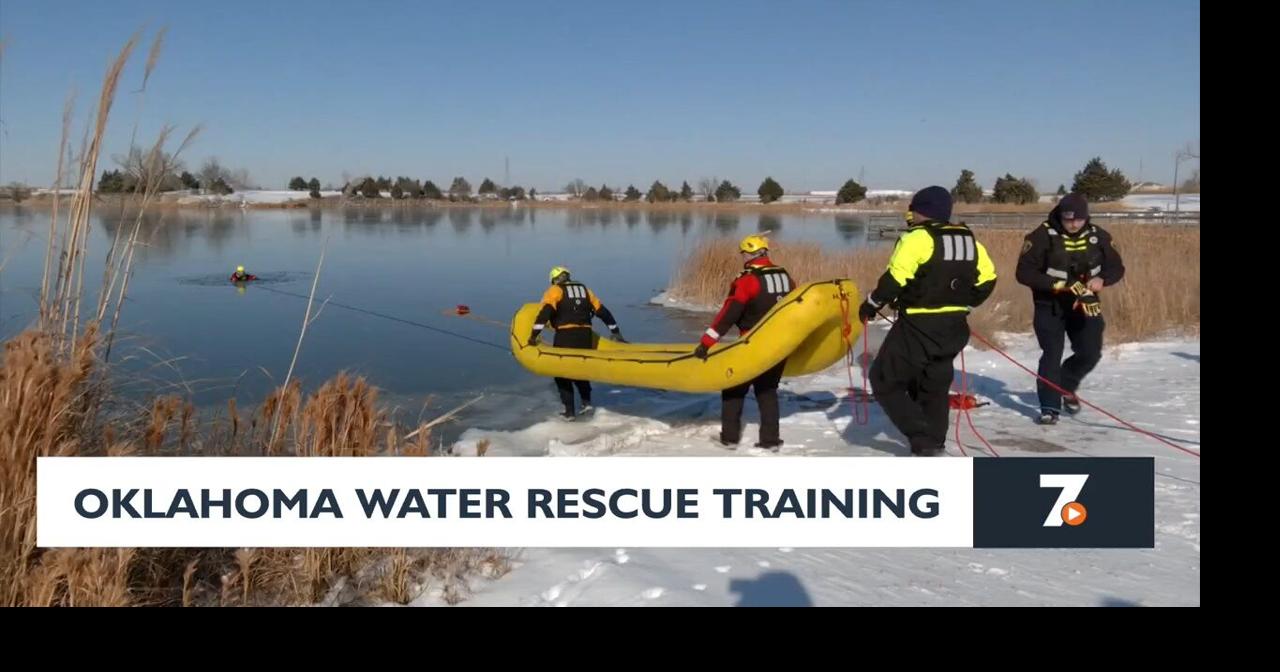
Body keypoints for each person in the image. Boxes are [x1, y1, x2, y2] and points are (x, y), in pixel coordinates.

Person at [858, 186, 997, 456]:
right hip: (954, 328)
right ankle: (935, 443)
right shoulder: (969, 241)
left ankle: (922, 437)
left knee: (884, 380)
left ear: (921, 211)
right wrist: (964, 305)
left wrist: (872, 304)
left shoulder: (917, 238)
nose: (910, 215)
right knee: (933, 385)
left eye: (913, 209)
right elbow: (988, 280)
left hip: (919, 327)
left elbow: (895, 279)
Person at [1015, 193, 1125, 425]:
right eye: (1068, 220)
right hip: (1050, 305)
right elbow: (1023, 272)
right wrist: (1056, 284)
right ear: (1061, 216)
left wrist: (1103, 279)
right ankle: (1049, 407)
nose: (1073, 224)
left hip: (1085, 304)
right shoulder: (1040, 236)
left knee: (1090, 352)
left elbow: (1117, 267)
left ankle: (1066, 385)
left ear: (1086, 217)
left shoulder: (1100, 237)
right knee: (1052, 354)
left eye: (1078, 220)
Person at [694, 234, 795, 450]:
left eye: (744, 253)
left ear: (749, 254)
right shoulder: (784, 275)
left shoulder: (748, 279)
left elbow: (728, 315)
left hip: (752, 344)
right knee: (767, 391)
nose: (743, 257)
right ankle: (770, 441)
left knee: (733, 388)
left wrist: (706, 343)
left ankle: (729, 439)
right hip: (780, 344)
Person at [527, 266, 626, 420]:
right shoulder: (584, 289)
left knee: (561, 374)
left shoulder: (555, 290)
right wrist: (615, 331)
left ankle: (569, 412)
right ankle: (586, 403)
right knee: (580, 368)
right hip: (585, 336)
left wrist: (534, 335)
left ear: (554, 280)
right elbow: (602, 311)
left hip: (565, 336)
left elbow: (545, 313)